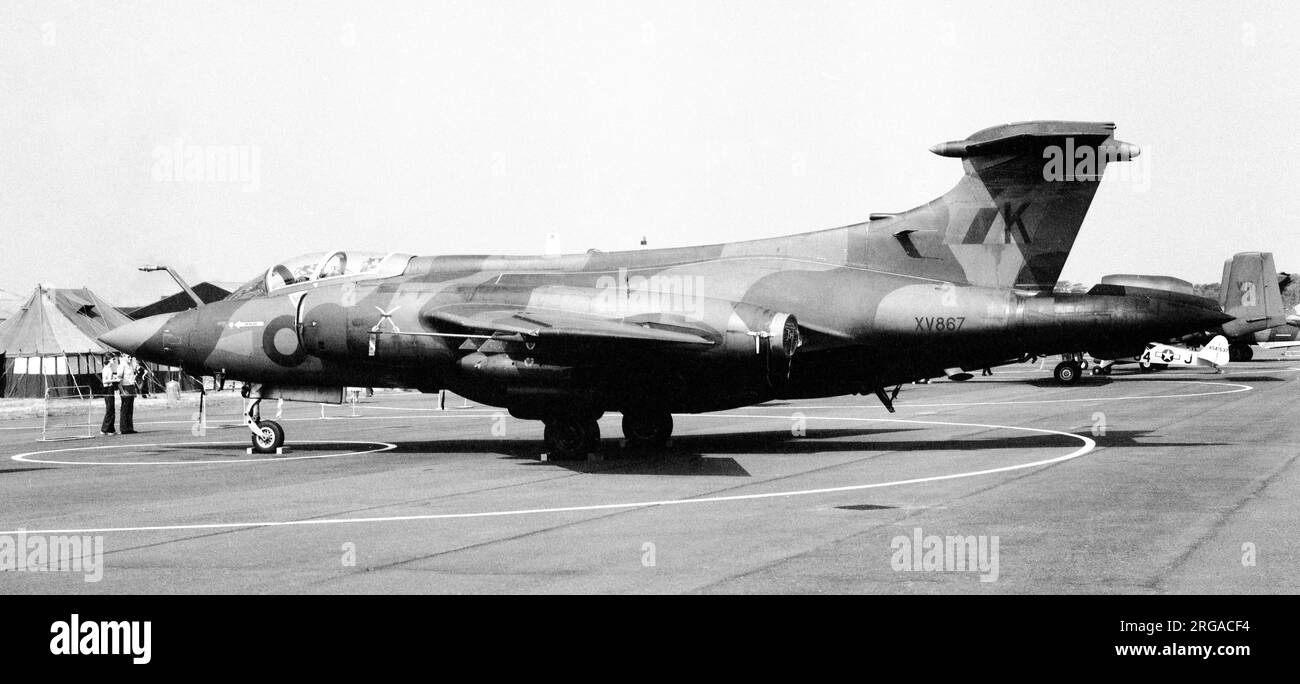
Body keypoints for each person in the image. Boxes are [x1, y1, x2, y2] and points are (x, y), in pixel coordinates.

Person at [99, 354, 119, 435]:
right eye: (112, 359)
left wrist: (114, 377)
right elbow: (104, 381)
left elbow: (109, 378)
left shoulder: (109, 369)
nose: (114, 361)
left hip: (110, 389)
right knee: (109, 410)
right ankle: (104, 429)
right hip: (107, 389)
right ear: (109, 360)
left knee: (112, 409)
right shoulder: (106, 369)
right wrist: (114, 380)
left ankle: (111, 429)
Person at [118, 355, 139, 434]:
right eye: (128, 357)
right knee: (125, 409)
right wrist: (122, 391)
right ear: (123, 356)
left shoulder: (130, 365)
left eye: (131, 357)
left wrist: (134, 390)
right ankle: (123, 428)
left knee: (130, 408)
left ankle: (130, 428)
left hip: (131, 387)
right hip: (125, 387)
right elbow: (119, 378)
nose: (130, 358)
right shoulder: (122, 365)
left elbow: (132, 378)